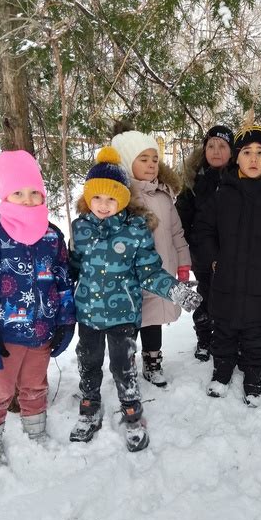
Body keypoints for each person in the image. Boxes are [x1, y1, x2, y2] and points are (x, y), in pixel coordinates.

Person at [69, 146, 201, 451]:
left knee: (122, 366)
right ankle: (90, 410)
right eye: (97, 197)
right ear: (88, 198)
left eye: (111, 197)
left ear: (124, 198)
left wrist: (175, 290)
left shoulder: (135, 231)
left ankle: (132, 414)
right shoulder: (81, 229)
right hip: (88, 314)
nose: (103, 205)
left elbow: (150, 272)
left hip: (123, 316)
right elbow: (73, 269)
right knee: (88, 362)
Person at [0, 150, 76, 467]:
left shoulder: (51, 234)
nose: (27, 199)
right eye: (18, 193)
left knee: (36, 385)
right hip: (2, 336)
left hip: (41, 330)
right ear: (4, 194)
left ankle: (36, 435)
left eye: (34, 192)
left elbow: (63, 278)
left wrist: (66, 321)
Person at [197, 124, 261, 406]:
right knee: (224, 331)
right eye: (246, 152)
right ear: (237, 158)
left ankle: (253, 375)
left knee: (256, 335)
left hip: (260, 284)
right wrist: (214, 258)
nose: (253, 158)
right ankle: (222, 371)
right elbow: (203, 229)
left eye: (260, 152)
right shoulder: (221, 196)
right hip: (226, 282)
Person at [111, 124, 191, 387]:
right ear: (126, 162)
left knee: (154, 319)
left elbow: (176, 232)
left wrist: (183, 263)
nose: (151, 165)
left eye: (155, 159)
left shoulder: (164, 196)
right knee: (132, 321)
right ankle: (126, 363)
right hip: (131, 276)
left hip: (161, 271)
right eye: (143, 159)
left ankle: (153, 361)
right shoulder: (121, 197)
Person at [175, 125, 234, 361]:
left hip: (231, 254)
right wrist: (191, 244)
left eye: (222, 146)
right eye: (211, 146)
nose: (216, 151)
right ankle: (204, 338)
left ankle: (225, 338)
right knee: (204, 296)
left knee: (228, 298)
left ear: (231, 151)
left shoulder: (239, 179)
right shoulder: (194, 180)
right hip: (202, 253)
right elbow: (182, 217)